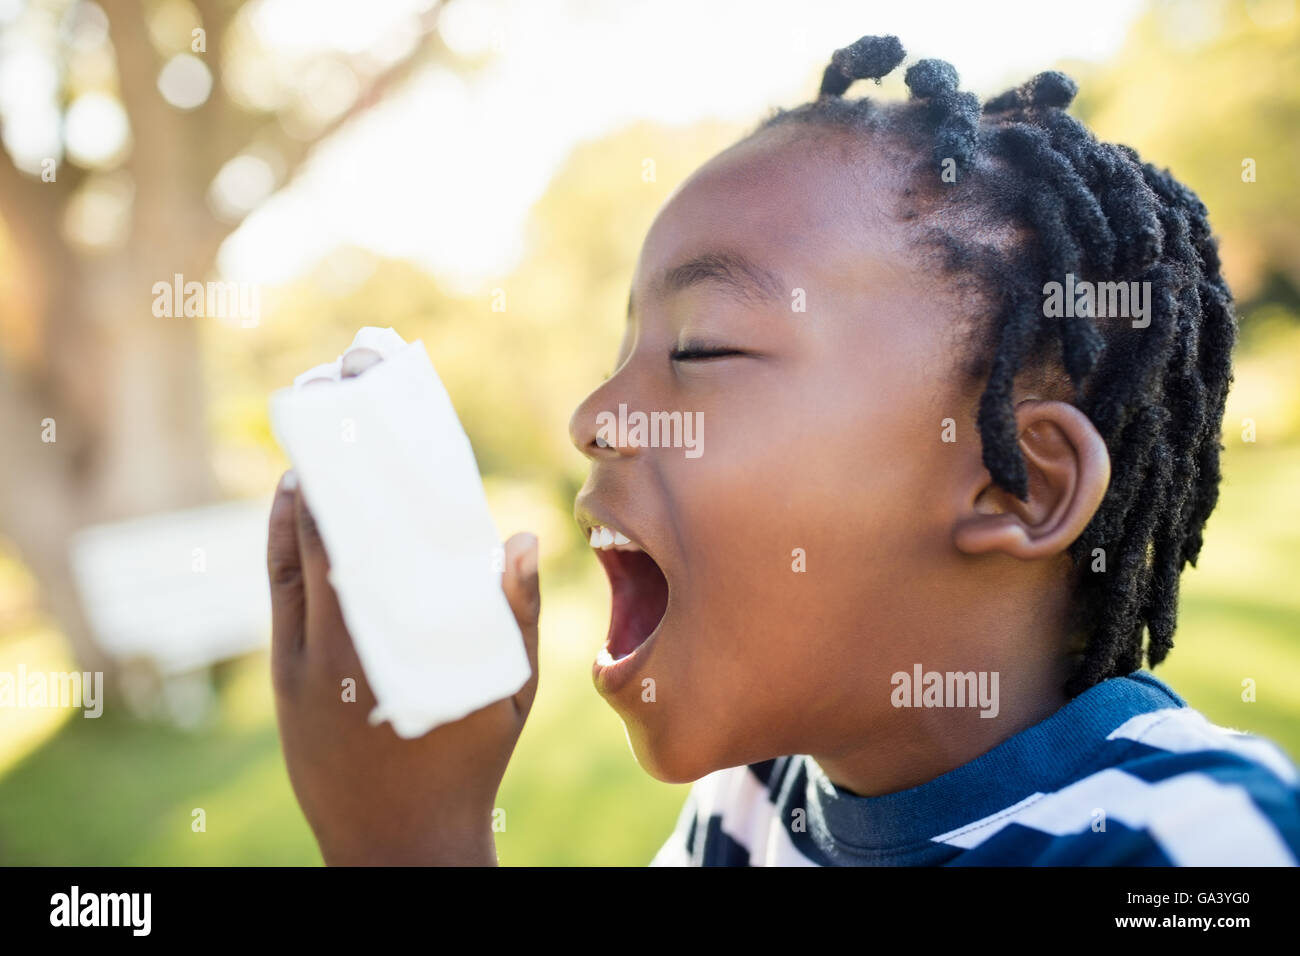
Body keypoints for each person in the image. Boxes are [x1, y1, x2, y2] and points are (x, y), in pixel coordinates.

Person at [265, 35, 1300, 866]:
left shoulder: (1199, 843)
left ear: (1016, 481)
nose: (594, 415)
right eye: (623, 355)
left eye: (702, 347)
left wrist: (412, 850)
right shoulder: (750, 812)